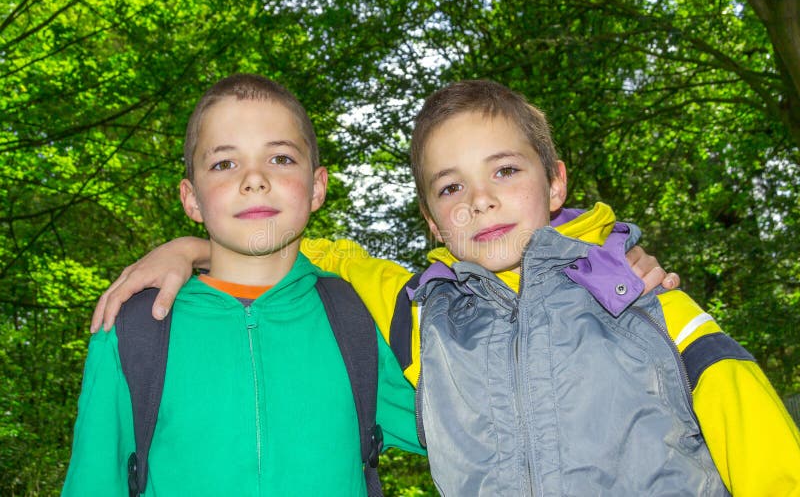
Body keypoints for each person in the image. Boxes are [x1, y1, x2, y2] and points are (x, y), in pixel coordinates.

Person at [90, 81, 800, 494]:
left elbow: (758, 436)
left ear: (556, 183)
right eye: (452, 187)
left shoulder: (643, 299)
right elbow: (289, 242)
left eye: (505, 172)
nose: (482, 201)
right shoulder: (424, 322)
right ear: (432, 219)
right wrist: (191, 248)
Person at [62, 74, 424, 496]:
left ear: (318, 186)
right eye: (224, 164)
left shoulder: (356, 319)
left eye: (281, 159)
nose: (254, 179)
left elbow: (469, 428)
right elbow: (92, 481)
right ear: (191, 198)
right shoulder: (133, 330)